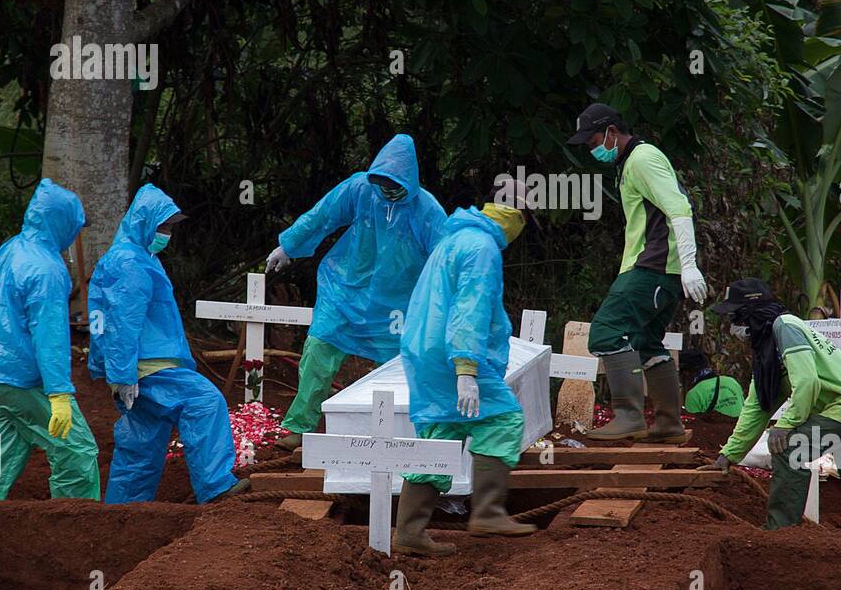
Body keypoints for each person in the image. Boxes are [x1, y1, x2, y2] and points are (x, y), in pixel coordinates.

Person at [264, 134, 447, 449]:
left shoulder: (426, 211)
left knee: (401, 369)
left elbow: (446, 258)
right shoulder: (360, 189)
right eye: (382, 181)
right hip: (345, 289)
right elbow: (323, 215)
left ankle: (403, 436)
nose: (387, 189)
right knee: (318, 349)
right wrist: (288, 246)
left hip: (397, 305)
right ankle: (299, 427)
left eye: (395, 183)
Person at [392, 182, 534, 556]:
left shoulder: (456, 238)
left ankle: (408, 531)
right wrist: (466, 369)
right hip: (452, 353)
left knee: (443, 429)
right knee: (503, 419)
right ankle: (488, 512)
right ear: (518, 217)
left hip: (425, 350)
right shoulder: (483, 248)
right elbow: (469, 310)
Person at [87, 184, 244, 504]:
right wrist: (123, 373)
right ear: (143, 222)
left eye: (170, 227)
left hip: (138, 365)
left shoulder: (133, 256)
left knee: (142, 441)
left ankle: (122, 513)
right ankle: (215, 487)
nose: (167, 233)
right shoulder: (132, 261)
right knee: (204, 401)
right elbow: (123, 321)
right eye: (162, 226)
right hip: (149, 364)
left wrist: (120, 374)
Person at [703, 279, 841, 533]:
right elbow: (757, 408)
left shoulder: (785, 327)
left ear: (750, 313)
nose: (733, 326)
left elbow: (807, 381)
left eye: (735, 317)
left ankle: (780, 532)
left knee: (789, 447)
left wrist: (785, 425)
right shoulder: (768, 351)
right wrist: (727, 457)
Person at [566, 103, 706, 442]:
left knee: (607, 331)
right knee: (644, 341)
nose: (591, 148)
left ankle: (628, 416)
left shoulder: (643, 159)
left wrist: (689, 265)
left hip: (653, 267)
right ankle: (669, 424)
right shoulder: (629, 162)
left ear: (612, 132)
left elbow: (680, 209)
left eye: (594, 140)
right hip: (656, 268)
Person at [0, 179, 100, 500]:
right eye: (76, 227)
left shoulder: (9, 249)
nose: (76, 234)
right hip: (20, 377)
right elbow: (49, 337)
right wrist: (60, 394)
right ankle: (74, 524)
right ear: (62, 223)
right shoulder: (48, 269)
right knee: (76, 450)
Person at [679, 349, 745, 418]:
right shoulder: (731, 381)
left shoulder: (693, 395)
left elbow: (693, 423)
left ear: (686, 373)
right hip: (742, 427)